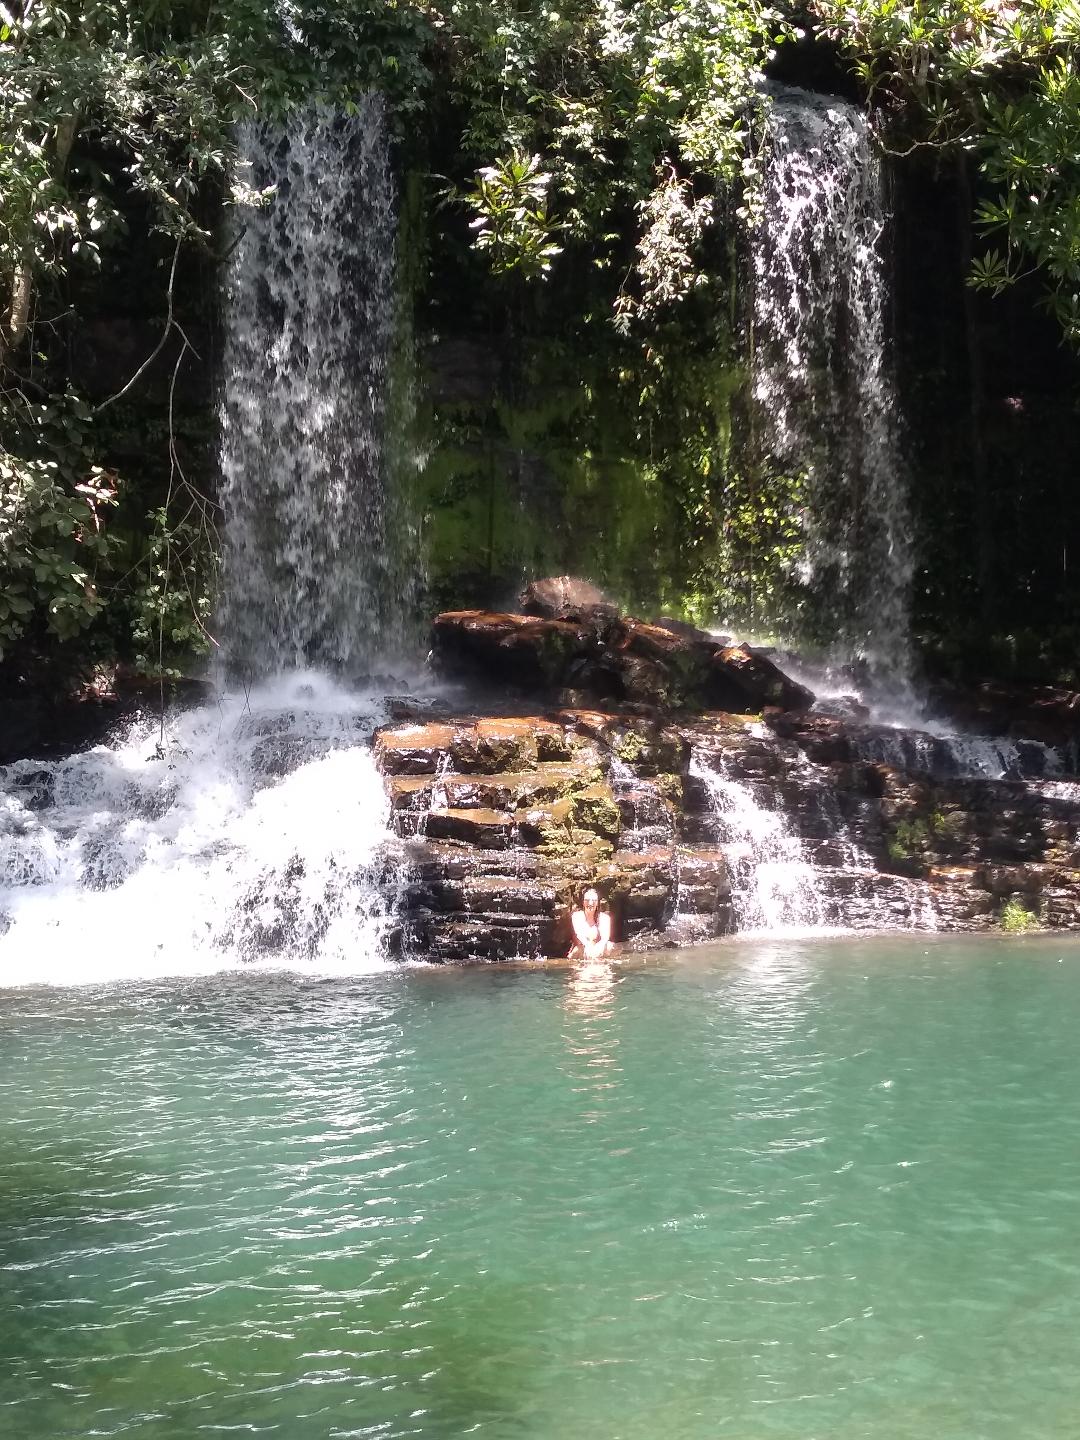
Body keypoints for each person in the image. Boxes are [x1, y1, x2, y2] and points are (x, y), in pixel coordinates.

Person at [567, 887, 614, 961]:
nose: (590, 903)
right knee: (579, 949)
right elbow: (579, 935)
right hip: (582, 952)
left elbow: (605, 937)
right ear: (583, 902)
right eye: (587, 900)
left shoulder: (605, 918)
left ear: (597, 903)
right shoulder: (576, 916)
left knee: (609, 946)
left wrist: (598, 948)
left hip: (598, 951)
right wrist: (588, 947)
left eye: (594, 900)